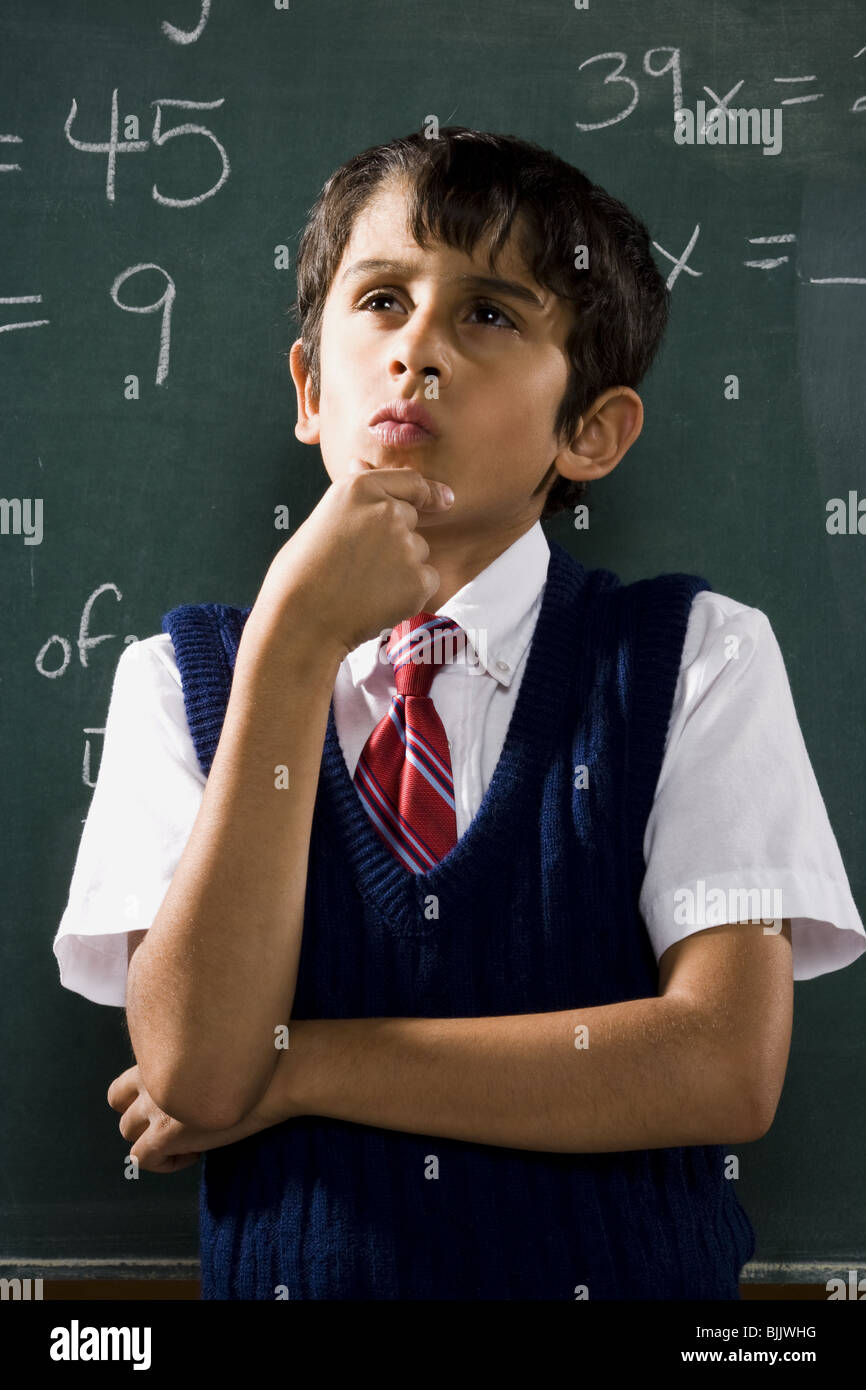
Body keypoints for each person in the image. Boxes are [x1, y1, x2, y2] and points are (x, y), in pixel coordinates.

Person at [54, 128, 865, 1300]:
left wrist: (298, 1068)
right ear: (308, 388)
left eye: (488, 315)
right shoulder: (180, 679)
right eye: (381, 300)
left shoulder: (693, 656)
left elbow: (718, 1065)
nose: (417, 350)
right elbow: (193, 1061)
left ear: (588, 430)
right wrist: (288, 646)